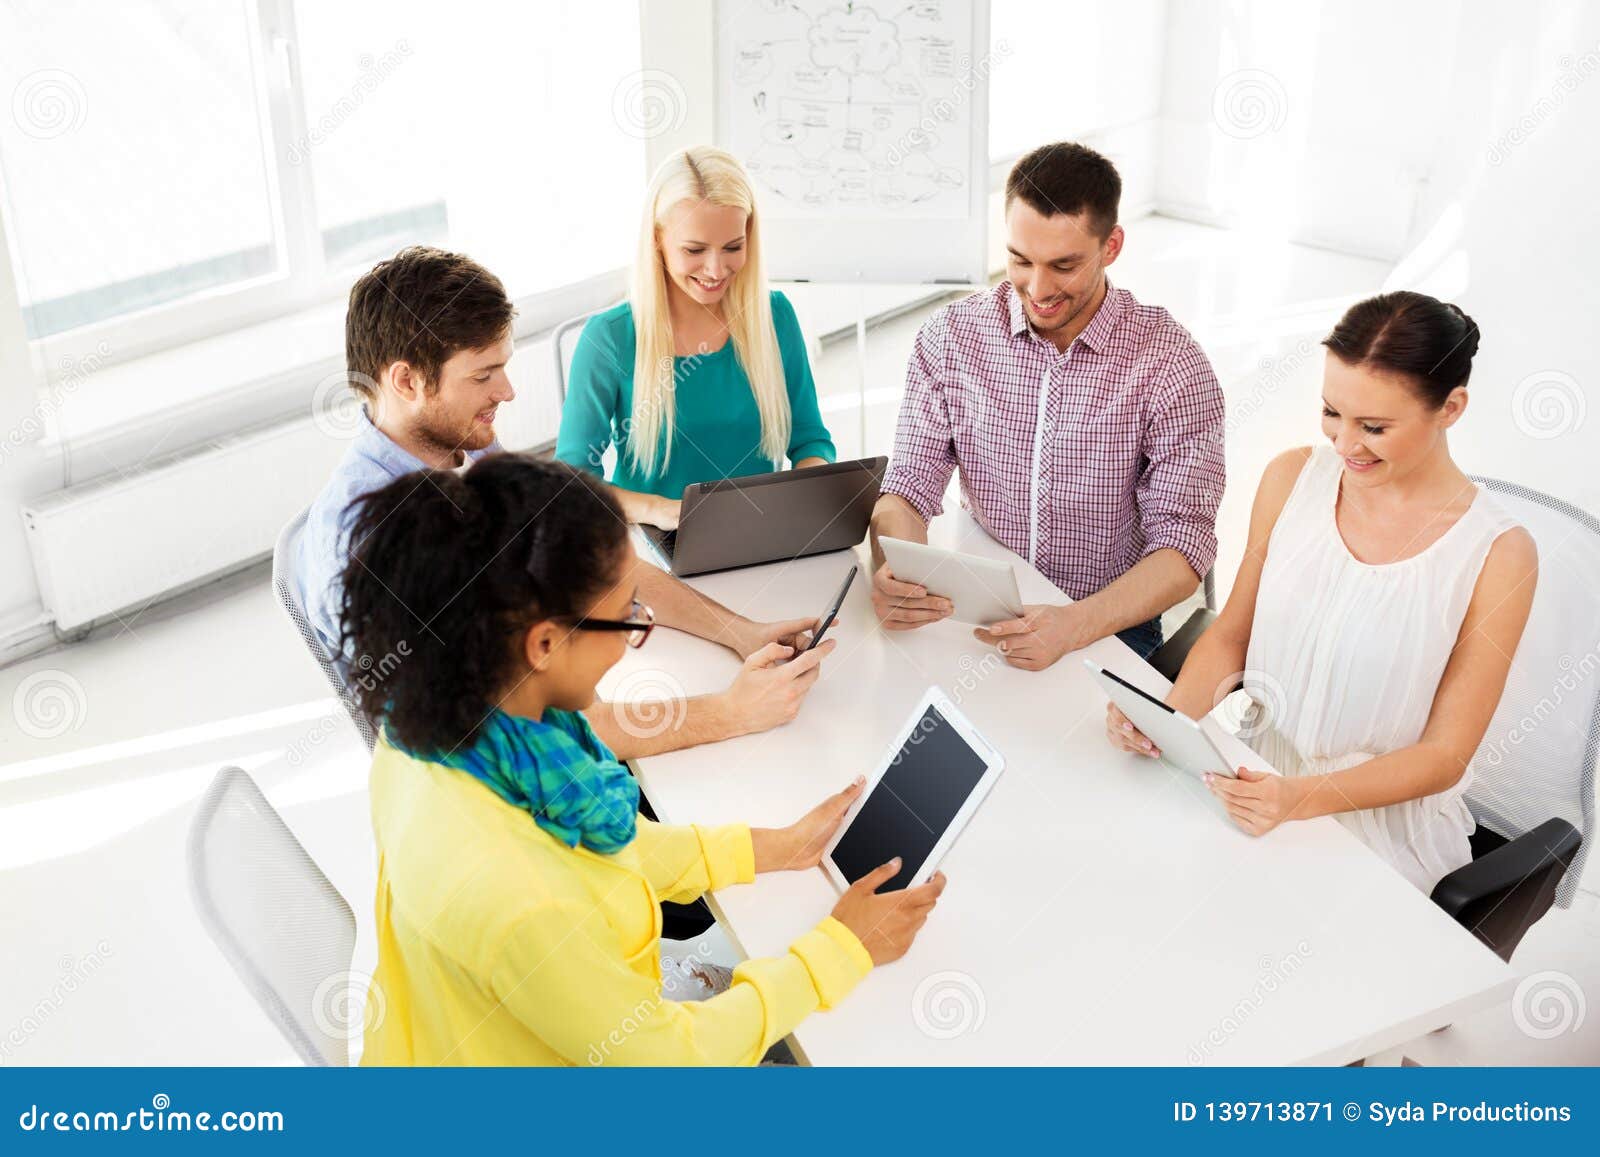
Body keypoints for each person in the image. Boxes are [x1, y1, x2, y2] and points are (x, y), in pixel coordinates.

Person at [342, 453, 945, 1065]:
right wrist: (842, 948)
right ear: (545, 644)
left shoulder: (440, 734)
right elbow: (670, 1061)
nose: (637, 633)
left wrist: (774, 847)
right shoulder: (520, 899)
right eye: (627, 619)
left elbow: (604, 848)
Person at [299, 246, 830, 761]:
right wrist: (730, 713)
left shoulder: (462, 449)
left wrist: (742, 631)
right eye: (483, 375)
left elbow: (590, 558)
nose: (507, 392)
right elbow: (543, 735)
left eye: (503, 368)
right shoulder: (369, 548)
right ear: (407, 381)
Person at [1106, 292, 1538, 893]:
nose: (1344, 445)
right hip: (1250, 779)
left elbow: (1445, 756)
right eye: (1332, 412)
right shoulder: (1292, 478)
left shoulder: (1498, 554)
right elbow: (1231, 634)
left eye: (1375, 427)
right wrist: (1169, 719)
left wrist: (1299, 799)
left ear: (1451, 408)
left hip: (1377, 833)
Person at [868, 141, 1225, 665]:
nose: (1037, 289)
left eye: (1064, 265)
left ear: (1112, 246)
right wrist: (901, 572)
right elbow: (904, 491)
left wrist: (1075, 626)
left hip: (1107, 621)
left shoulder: (1171, 365)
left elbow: (1183, 550)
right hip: (978, 608)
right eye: (1019, 259)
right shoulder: (950, 338)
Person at [555, 146, 836, 529]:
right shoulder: (609, 338)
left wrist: (809, 483)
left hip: (758, 533)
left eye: (733, 247)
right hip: (653, 541)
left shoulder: (775, 316)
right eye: (695, 249)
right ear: (657, 239)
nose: (716, 269)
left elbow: (809, 438)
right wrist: (657, 510)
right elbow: (574, 480)